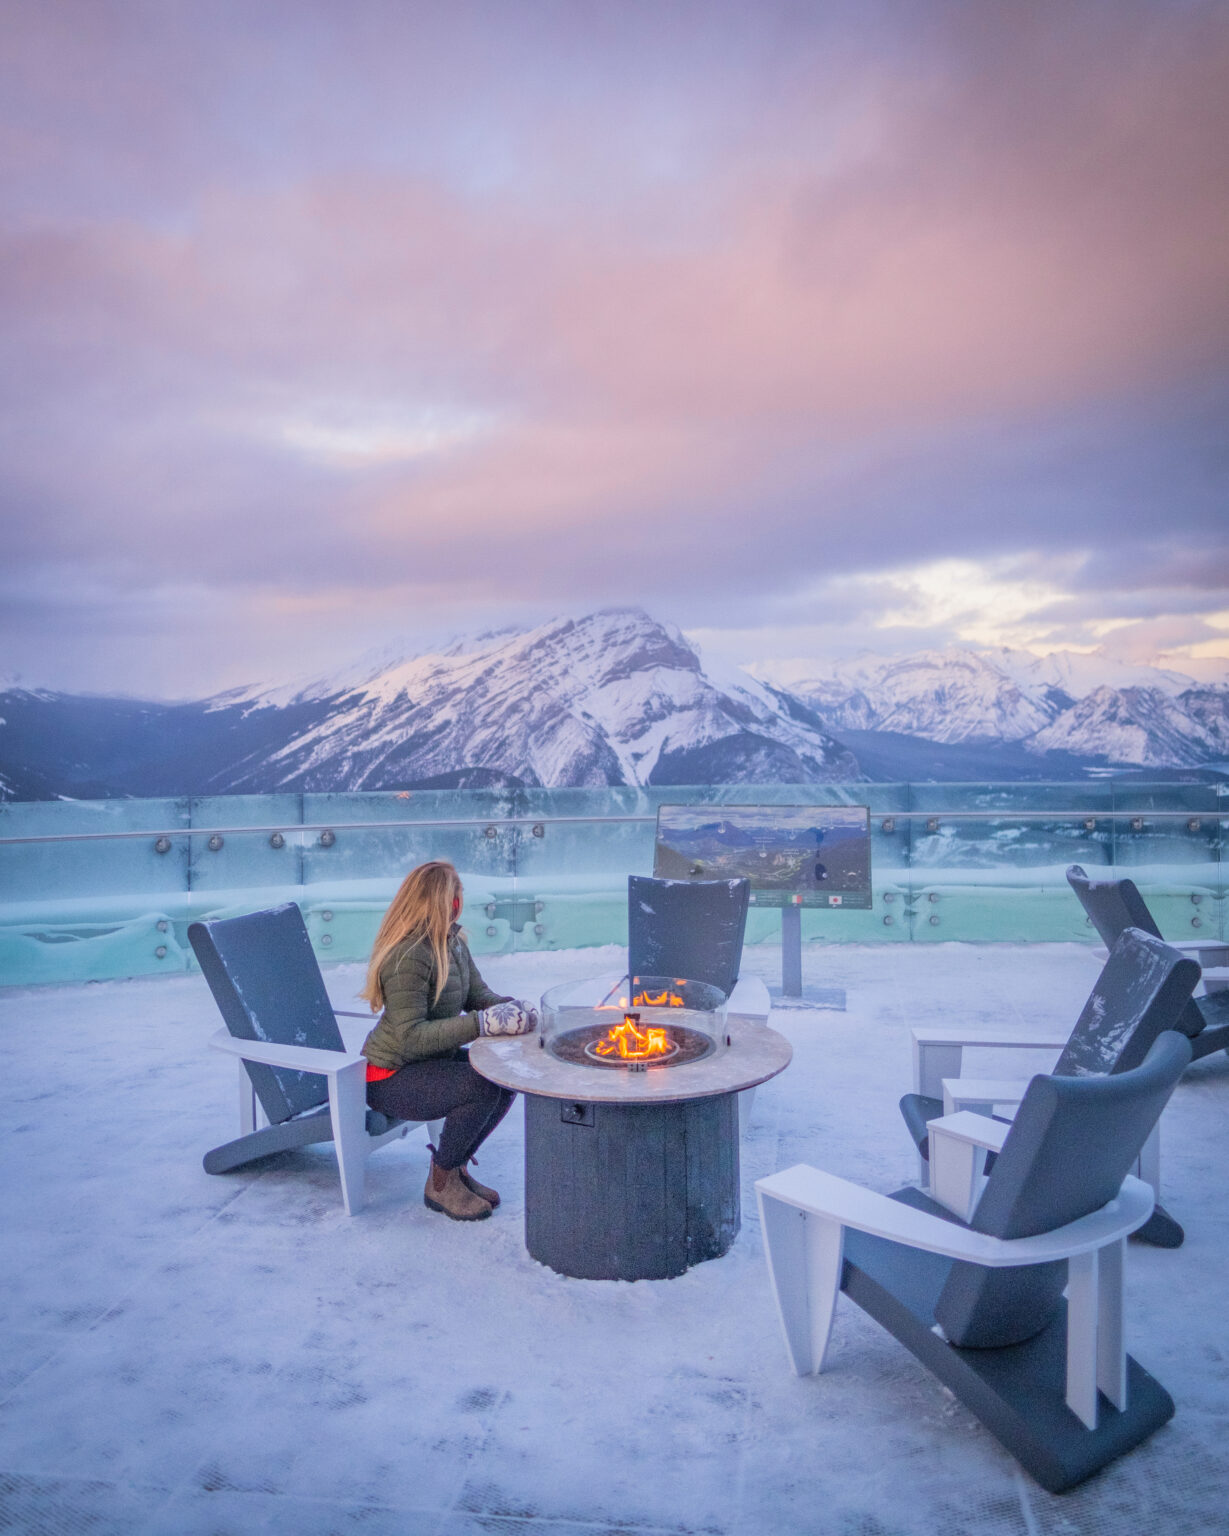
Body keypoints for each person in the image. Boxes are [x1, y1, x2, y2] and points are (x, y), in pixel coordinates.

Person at [360, 860, 537, 1221]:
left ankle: (454, 1169)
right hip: (391, 1076)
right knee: (480, 1086)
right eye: (455, 896)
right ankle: (440, 1182)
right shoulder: (407, 956)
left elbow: (478, 995)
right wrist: (482, 1024)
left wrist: (512, 1009)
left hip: (428, 1063)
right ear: (440, 900)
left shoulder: (451, 942)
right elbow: (409, 1037)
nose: (459, 903)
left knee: (504, 1075)